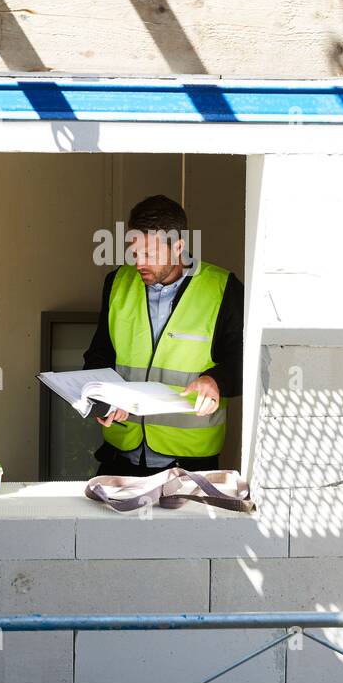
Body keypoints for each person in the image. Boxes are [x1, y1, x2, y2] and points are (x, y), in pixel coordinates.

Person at [83, 195, 243, 477]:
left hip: (191, 463)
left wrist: (216, 381)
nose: (139, 263)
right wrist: (101, 397)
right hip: (121, 456)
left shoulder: (223, 288)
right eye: (134, 252)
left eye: (151, 255)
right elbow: (99, 356)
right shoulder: (117, 283)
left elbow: (246, 360)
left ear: (179, 247)